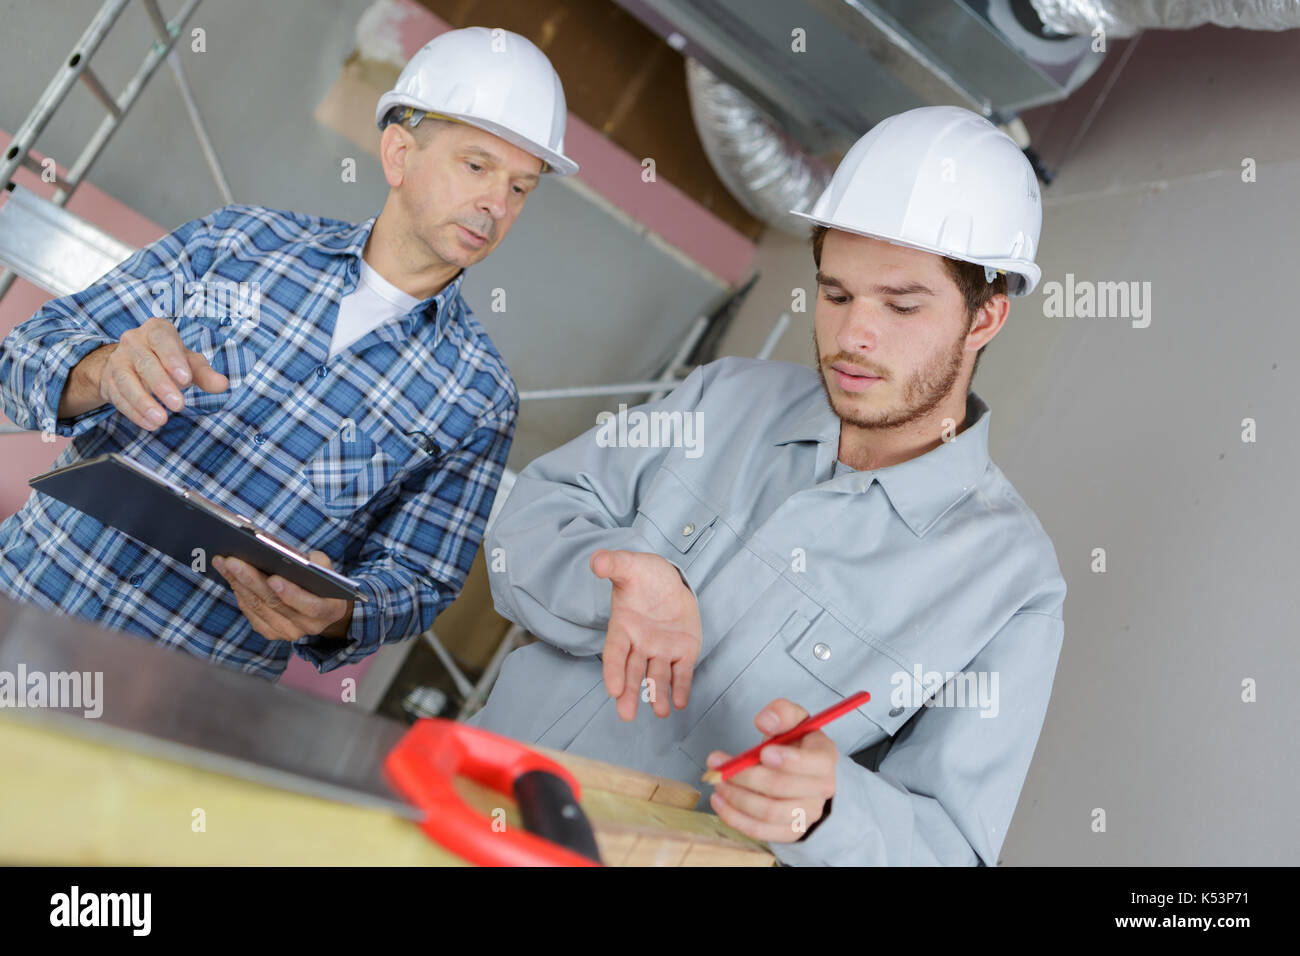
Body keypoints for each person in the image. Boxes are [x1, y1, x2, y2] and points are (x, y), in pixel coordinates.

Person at [469, 106, 1066, 866]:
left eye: (901, 304)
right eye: (837, 294)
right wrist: (614, 589)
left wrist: (827, 814)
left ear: (984, 319)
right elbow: (528, 521)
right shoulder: (723, 397)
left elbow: (949, 848)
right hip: (463, 796)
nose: (854, 335)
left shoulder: (1011, 585)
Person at [0, 27, 577, 679]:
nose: (496, 205)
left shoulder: (478, 395)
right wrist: (101, 371)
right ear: (397, 154)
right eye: (477, 166)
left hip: (177, 705)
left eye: (521, 188)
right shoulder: (239, 241)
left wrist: (338, 613)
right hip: (21, 607)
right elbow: (24, 354)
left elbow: (422, 580)